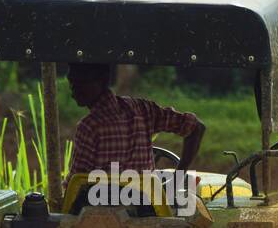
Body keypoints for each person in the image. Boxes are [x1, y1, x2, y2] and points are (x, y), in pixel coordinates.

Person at [66, 63, 205, 177]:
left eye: (81, 81)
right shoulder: (144, 109)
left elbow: (76, 181)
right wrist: (178, 177)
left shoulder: (89, 126)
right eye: (72, 82)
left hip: (100, 207)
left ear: (102, 79)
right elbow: (196, 127)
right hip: (147, 205)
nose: (74, 89)